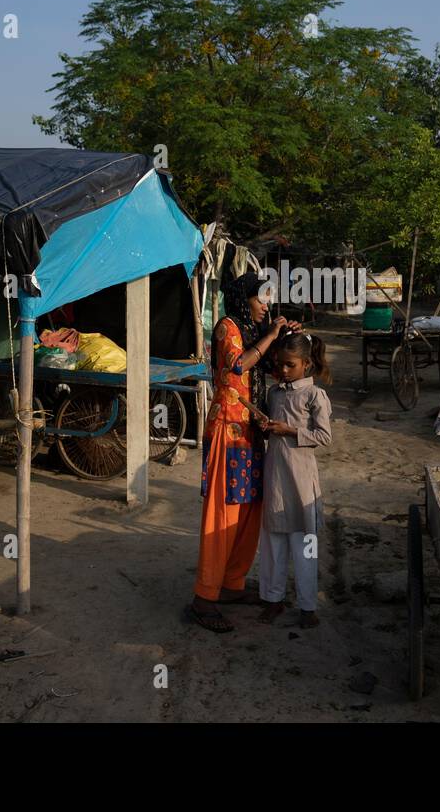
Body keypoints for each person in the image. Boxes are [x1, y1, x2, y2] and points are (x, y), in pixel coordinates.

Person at [191, 271, 300, 633]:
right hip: (228, 429)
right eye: (260, 299)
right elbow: (237, 365)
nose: (266, 305)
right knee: (223, 513)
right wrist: (269, 335)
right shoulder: (226, 326)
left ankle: (231, 583)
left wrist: (284, 337)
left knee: (248, 510)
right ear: (244, 298)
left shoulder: (254, 331)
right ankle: (204, 597)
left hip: (250, 431)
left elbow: (273, 366)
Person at [257, 331, 332, 629]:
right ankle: (273, 601)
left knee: (304, 546)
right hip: (275, 476)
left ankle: (307, 606)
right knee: (274, 544)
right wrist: (265, 426)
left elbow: (324, 437)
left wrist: (289, 430)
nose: (284, 371)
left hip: (301, 480)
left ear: (306, 363)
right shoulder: (274, 393)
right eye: (280, 365)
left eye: (290, 365)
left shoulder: (315, 395)